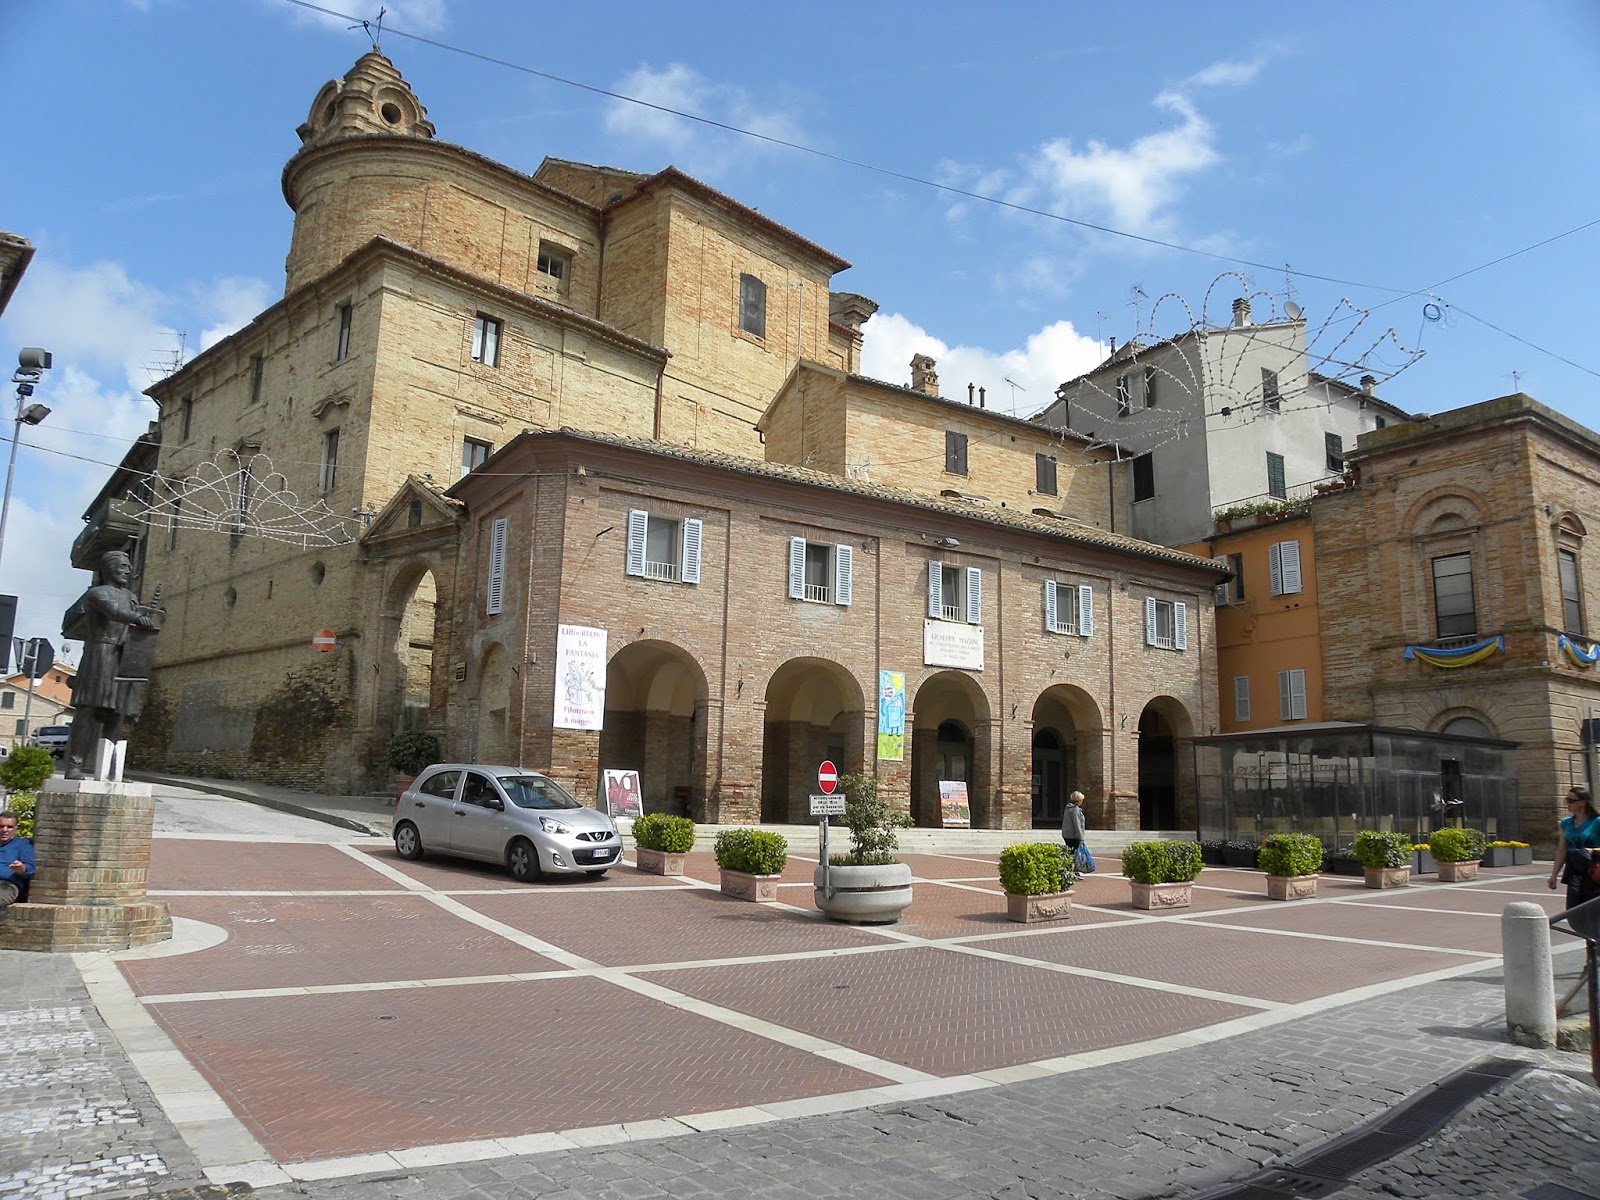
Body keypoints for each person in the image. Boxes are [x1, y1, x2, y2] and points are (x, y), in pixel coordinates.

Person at [64, 550, 162, 780]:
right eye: (123, 566)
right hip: (100, 653)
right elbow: (114, 612)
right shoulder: (97, 593)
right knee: (88, 709)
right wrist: (136, 617)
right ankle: (75, 765)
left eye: (129, 566)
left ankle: (109, 769)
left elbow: (131, 621)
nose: (128, 570)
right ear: (108, 568)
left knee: (117, 712)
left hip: (123, 656)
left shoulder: (130, 597)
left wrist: (143, 620)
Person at [1547, 784, 1600, 930]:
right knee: (1574, 911)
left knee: (1594, 909)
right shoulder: (1566, 823)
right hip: (1574, 870)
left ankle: (1594, 940)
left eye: (1571, 800)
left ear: (1583, 802)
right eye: (1567, 800)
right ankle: (1588, 937)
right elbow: (1562, 850)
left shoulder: (1597, 822)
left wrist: (1593, 850)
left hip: (1594, 870)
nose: (1568, 804)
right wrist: (1554, 875)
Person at [0, 811, 35, 908]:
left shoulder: (22, 844)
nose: (4, 830)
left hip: (6, 886)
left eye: (9, 827)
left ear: (15, 829)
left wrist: (21, 868)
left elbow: (30, 868)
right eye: (1, 826)